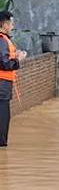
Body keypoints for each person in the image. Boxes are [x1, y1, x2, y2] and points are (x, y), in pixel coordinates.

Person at [0, 11, 26, 147]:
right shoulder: (2, 40)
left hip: (3, 84)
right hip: (2, 85)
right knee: (3, 117)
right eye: (11, 22)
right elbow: (5, 63)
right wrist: (18, 60)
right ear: (4, 24)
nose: (12, 25)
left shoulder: (4, 40)